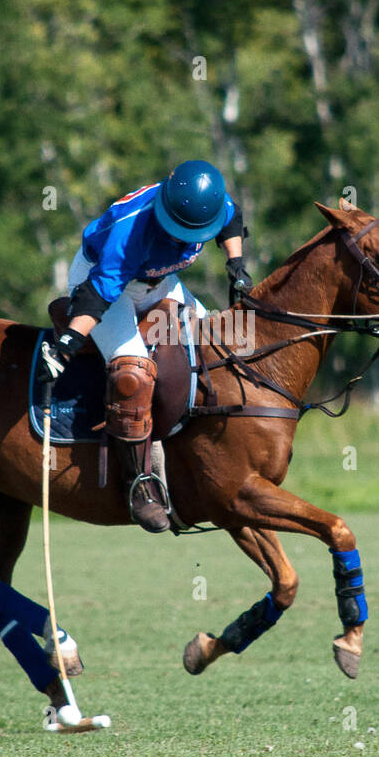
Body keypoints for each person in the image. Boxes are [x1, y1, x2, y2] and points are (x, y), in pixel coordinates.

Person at [37, 160, 252, 532]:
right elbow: (100, 293)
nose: (185, 236)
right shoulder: (131, 229)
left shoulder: (205, 199)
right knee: (132, 371)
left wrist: (236, 266)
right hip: (106, 287)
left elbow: (230, 220)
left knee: (218, 342)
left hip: (161, 284)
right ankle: (140, 483)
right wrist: (68, 344)